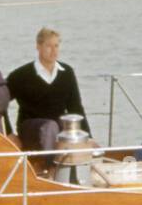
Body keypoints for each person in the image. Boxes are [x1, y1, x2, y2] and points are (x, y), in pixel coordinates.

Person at [5, 28, 91, 172]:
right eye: (49, 46)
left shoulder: (67, 73)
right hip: (30, 127)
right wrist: (9, 133)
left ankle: (79, 169)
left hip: (58, 126)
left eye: (56, 46)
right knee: (50, 126)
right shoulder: (21, 75)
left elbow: (75, 108)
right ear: (38, 46)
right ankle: (53, 169)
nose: (54, 51)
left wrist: (88, 137)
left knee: (63, 127)